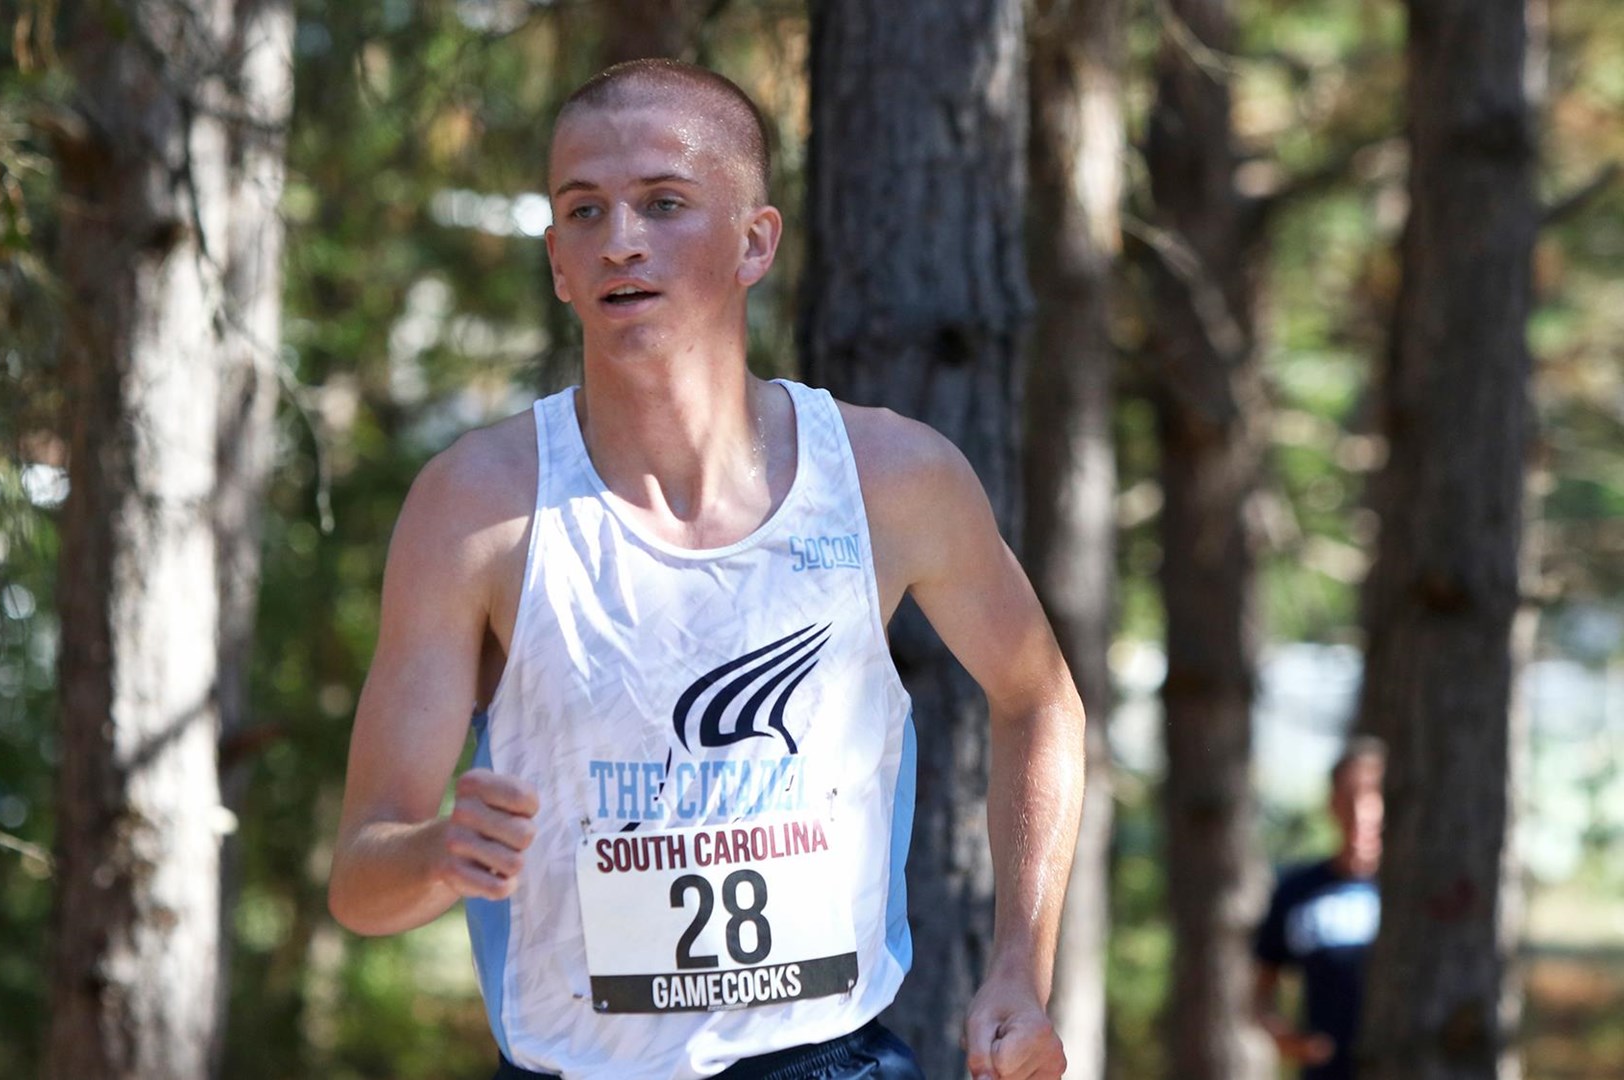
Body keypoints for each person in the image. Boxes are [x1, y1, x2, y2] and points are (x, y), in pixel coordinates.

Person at [327, 58, 1085, 1080]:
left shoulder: (891, 478)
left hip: (830, 1062)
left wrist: (1018, 971)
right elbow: (361, 879)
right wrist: (434, 853)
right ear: (557, 260)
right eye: (584, 210)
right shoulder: (477, 508)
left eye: (664, 202)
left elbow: (1040, 699)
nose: (621, 238)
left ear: (754, 241)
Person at [1252, 736, 1387, 1080]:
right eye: (1349, 795)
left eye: (1372, 795)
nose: (1361, 810)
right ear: (1332, 803)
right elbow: (1259, 993)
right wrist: (1290, 1042)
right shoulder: (1298, 890)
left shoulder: (1415, 894)